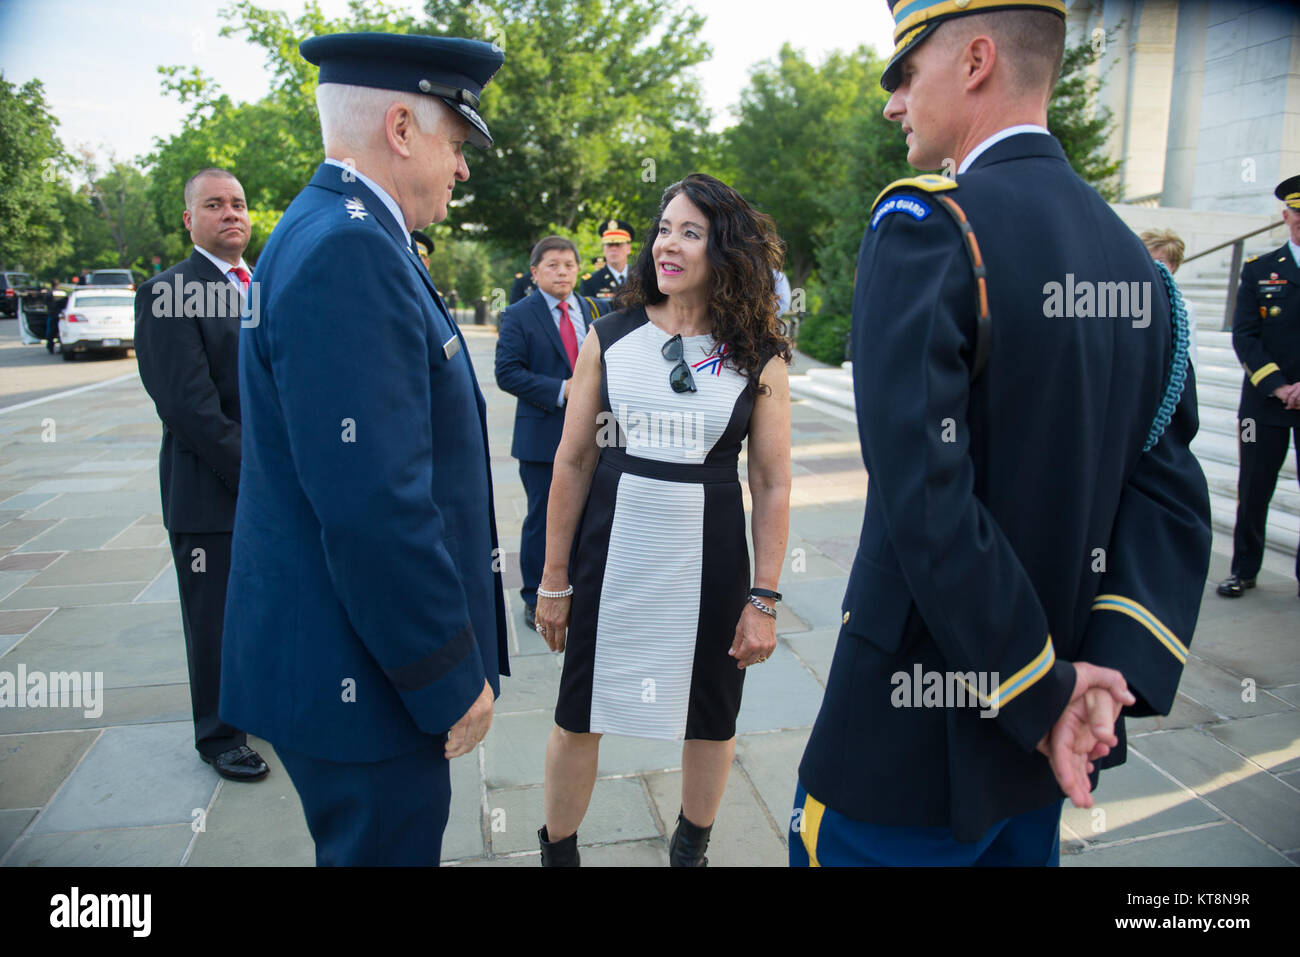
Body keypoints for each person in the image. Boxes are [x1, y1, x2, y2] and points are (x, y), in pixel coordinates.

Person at [792, 1, 1211, 866]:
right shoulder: (1141, 270)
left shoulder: (929, 228)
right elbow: (1168, 497)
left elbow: (927, 500)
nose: (892, 102)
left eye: (905, 73)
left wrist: (1042, 690)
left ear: (977, 59)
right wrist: (1099, 677)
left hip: (907, 753)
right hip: (1041, 757)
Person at [219, 32, 509, 866]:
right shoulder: (349, 247)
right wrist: (447, 674)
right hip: (368, 676)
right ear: (401, 127)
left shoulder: (337, 229)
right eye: (456, 144)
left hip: (347, 654)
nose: (461, 169)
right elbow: (375, 504)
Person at [535, 173, 792, 866]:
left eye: (690, 232)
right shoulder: (609, 335)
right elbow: (574, 460)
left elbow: (769, 481)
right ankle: (558, 852)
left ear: (725, 250)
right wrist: (553, 578)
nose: (668, 245)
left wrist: (764, 596)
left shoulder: (757, 354)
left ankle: (691, 849)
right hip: (610, 550)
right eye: (663, 229)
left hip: (709, 556)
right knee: (579, 710)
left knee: (711, 715)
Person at [134, 168, 268, 782]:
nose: (231, 214)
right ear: (190, 219)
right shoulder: (169, 291)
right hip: (212, 492)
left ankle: (263, 705)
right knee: (214, 618)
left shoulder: (262, 285)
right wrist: (260, 475)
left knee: (265, 607)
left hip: (275, 488)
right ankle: (219, 736)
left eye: (238, 203)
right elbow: (188, 407)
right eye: (214, 205)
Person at [494, 236, 604, 633]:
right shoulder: (518, 315)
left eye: (569, 265)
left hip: (597, 437)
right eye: (553, 265)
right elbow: (507, 372)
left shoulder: (596, 309)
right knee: (544, 519)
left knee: (591, 516)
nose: (562, 272)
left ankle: (579, 590)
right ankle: (532, 596)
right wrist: (562, 389)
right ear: (535, 271)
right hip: (543, 439)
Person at [1216, 176, 1300, 599]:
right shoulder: (1260, 269)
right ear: (1286, 216)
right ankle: (1243, 569)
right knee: (1253, 488)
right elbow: (1245, 335)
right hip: (1264, 401)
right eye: (1298, 214)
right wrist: (1281, 387)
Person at [1141, 229, 1198, 368]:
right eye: (1146, 258)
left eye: (1160, 261)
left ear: (1172, 266)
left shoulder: (1183, 308)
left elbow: (1188, 359)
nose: (1152, 265)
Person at [580, 219, 634, 301]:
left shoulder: (641, 277)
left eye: (618, 244)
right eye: (609, 245)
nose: (613, 249)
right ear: (604, 249)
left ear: (629, 248)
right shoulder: (590, 282)